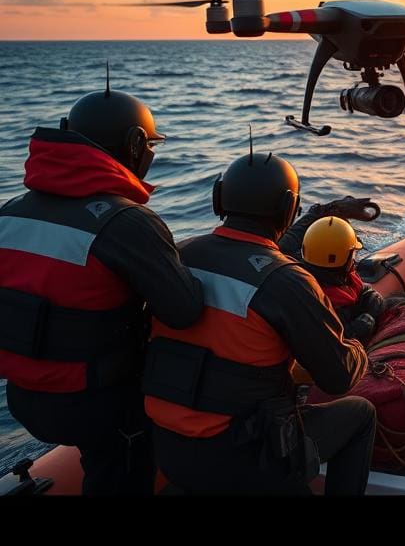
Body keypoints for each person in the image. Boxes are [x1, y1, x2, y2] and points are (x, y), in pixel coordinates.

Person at [0, 84, 204, 495]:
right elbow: (185, 311)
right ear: (135, 146)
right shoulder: (128, 223)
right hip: (99, 406)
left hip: (22, 397)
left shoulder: (10, 212)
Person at [142, 150, 374, 495]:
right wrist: (358, 339)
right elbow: (339, 377)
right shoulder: (287, 281)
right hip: (245, 457)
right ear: (286, 210)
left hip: (169, 450)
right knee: (361, 414)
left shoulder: (178, 254)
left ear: (219, 197)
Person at [289, 216, 385, 345]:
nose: (354, 259)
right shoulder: (312, 298)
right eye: (353, 253)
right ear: (345, 257)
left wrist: (370, 296)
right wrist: (354, 331)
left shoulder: (345, 280)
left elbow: (361, 289)